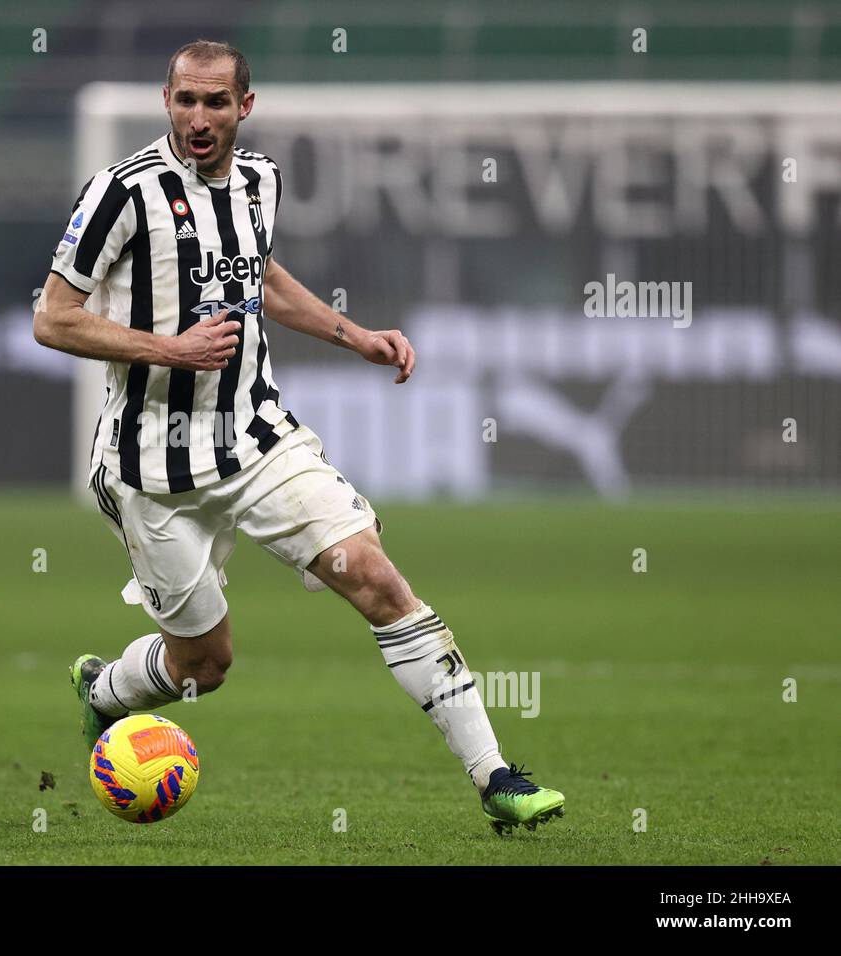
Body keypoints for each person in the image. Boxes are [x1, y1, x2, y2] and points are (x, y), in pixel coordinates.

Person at [35, 40, 564, 834]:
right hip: (153, 466)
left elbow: (263, 275)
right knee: (204, 667)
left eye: (217, 102)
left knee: (378, 579)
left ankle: (497, 778)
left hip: (257, 439)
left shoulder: (261, 181)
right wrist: (171, 350)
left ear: (245, 107)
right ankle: (106, 690)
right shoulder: (118, 194)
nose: (199, 117)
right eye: (186, 100)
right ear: (166, 101)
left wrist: (354, 336)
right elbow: (53, 318)